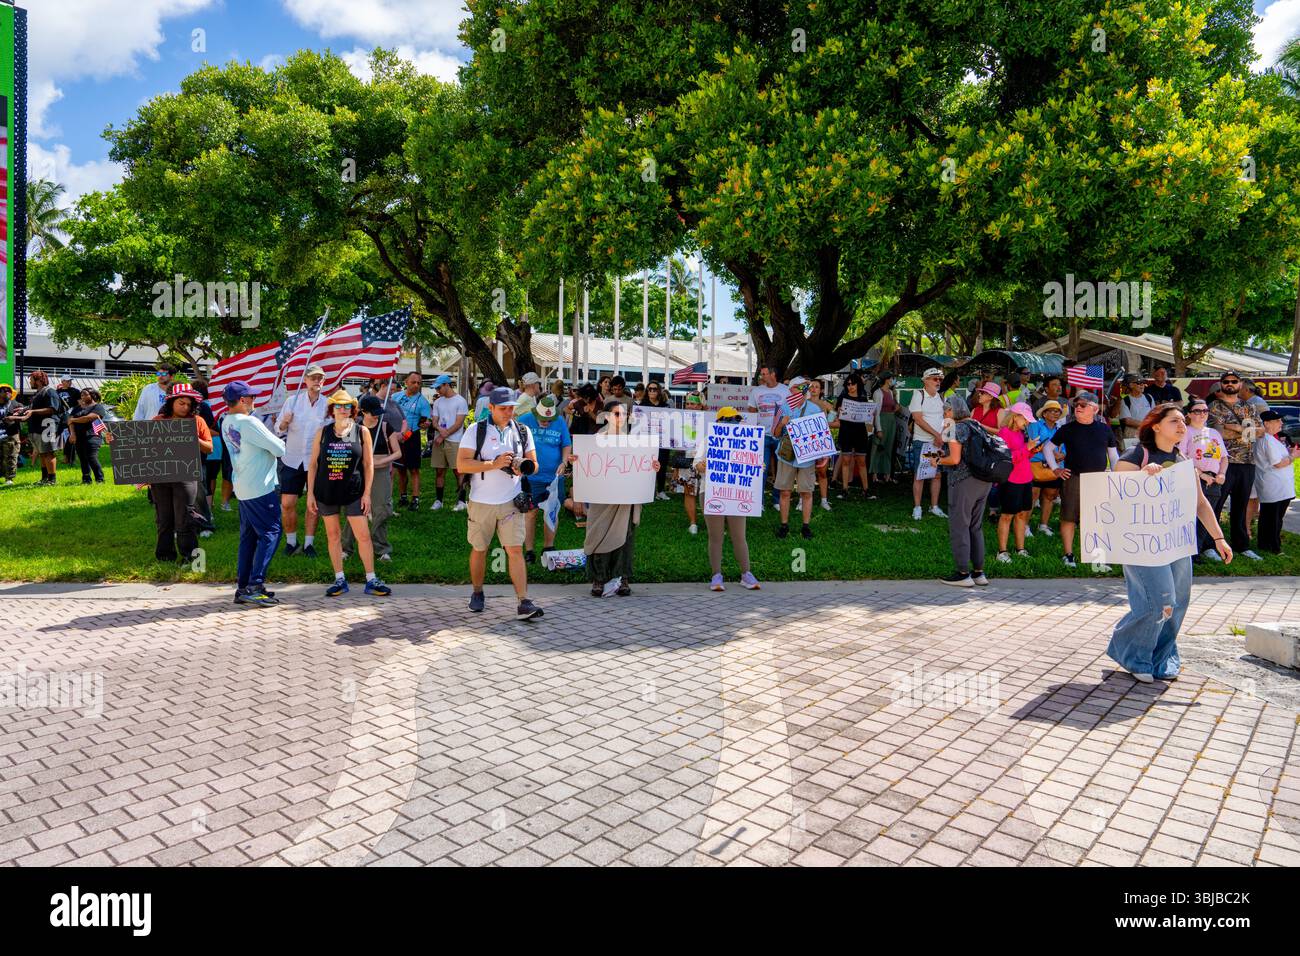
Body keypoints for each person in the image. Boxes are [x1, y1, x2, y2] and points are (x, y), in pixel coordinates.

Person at [1106, 404, 1233, 682]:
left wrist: (1219, 538)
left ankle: (1161, 658)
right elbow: (1113, 493)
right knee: (1159, 601)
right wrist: (1141, 477)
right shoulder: (1137, 454)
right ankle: (1133, 655)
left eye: (1182, 422)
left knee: (1178, 603)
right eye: (1174, 421)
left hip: (1177, 541)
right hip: (1142, 542)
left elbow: (1200, 503)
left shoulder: (1184, 459)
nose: (1181, 426)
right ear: (1156, 426)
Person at [456, 386, 544, 620]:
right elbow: (462, 465)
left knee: (515, 549)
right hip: (481, 501)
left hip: (511, 500)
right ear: (491, 408)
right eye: (503, 408)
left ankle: (524, 601)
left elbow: (535, 465)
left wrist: (523, 465)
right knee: (480, 548)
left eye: (511, 408)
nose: (508, 412)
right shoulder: (476, 430)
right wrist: (492, 464)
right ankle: (477, 592)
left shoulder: (523, 431)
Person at [113, 383, 211, 564]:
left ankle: (191, 559)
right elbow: (142, 445)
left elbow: (209, 448)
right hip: (160, 476)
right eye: (181, 403)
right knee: (164, 518)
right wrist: (115, 440)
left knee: (186, 517)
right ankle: (164, 557)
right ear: (172, 402)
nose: (185, 407)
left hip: (186, 475)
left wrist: (192, 436)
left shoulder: (197, 421)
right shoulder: (158, 420)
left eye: (189, 404)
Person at [570, 399, 660, 597]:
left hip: (625, 500)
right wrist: (576, 461)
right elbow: (586, 465)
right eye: (617, 414)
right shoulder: (595, 440)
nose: (621, 418)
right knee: (598, 534)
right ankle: (599, 579)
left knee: (624, 536)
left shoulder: (635, 442)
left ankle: (622, 579)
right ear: (607, 416)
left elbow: (642, 465)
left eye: (624, 414)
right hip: (601, 500)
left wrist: (653, 467)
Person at [306, 390, 391, 597]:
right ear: (332, 410)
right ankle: (339, 579)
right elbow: (313, 465)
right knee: (333, 536)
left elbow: (369, 465)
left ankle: (371, 579)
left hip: (354, 492)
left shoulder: (361, 432)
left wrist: (367, 494)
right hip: (326, 492)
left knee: (363, 536)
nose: (342, 410)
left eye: (346, 406)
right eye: (338, 406)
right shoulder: (323, 432)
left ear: (353, 410)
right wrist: (310, 494)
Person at [221, 381, 286, 606]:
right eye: (251, 397)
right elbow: (280, 449)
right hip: (260, 487)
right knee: (271, 533)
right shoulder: (249, 422)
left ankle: (243, 586)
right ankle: (255, 585)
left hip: (243, 485)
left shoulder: (226, 421)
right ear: (241, 400)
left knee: (248, 538)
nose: (254, 400)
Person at [1043, 390, 1119, 569]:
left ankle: (1097, 559)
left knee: (1097, 520)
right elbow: (1047, 448)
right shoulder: (1067, 429)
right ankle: (1068, 556)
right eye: (1076, 405)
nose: (1077, 408)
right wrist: (1055, 469)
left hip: (1098, 479)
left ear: (1094, 409)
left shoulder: (1104, 429)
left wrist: (1117, 478)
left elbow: (1114, 456)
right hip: (1073, 478)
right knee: (1068, 517)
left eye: (1082, 405)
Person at [693, 406, 761, 592]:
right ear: (719, 422)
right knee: (715, 536)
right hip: (711, 492)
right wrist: (702, 465)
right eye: (728, 420)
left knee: (739, 536)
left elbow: (754, 464)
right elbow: (697, 464)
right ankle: (716, 575)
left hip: (736, 493)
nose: (733, 423)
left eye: (735, 420)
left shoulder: (746, 441)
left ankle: (746, 573)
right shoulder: (708, 441)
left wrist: (758, 466)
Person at [1207, 370, 1262, 560]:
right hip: (1223, 463)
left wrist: (1236, 427)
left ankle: (1241, 545)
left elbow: (1260, 431)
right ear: (1221, 384)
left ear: (1240, 385)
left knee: (1240, 506)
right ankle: (1209, 545)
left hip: (1247, 462)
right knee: (1215, 505)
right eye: (1226, 381)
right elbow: (1219, 434)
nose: (1230, 384)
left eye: (1234, 381)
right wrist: (1245, 430)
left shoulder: (1249, 407)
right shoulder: (1214, 407)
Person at [935, 395, 990, 587]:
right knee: (975, 526)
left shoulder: (954, 427)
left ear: (953, 410)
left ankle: (962, 573)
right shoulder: (977, 425)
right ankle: (978, 573)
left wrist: (937, 460)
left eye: (947, 410)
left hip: (963, 481)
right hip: (983, 481)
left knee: (960, 526)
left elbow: (955, 460)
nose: (945, 413)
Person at [275, 364, 328, 558]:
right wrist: (284, 422)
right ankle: (291, 542)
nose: (317, 381)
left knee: (312, 504)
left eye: (320, 378)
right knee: (288, 503)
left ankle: (308, 544)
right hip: (292, 459)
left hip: (316, 462)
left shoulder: (328, 404)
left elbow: (333, 433)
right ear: (305, 380)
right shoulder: (292, 401)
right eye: (313, 377)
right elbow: (278, 430)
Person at [341, 395, 402, 564]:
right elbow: (345, 452)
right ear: (363, 412)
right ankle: (346, 548)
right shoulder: (353, 428)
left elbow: (398, 452)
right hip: (358, 473)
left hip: (380, 473)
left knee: (382, 510)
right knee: (353, 511)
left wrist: (382, 461)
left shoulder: (385, 426)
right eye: (373, 412)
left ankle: (381, 548)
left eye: (378, 412)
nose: (377, 415)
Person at [516, 394, 572, 562]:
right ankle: (530, 550)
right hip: (531, 477)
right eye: (543, 420)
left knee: (552, 511)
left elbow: (566, 444)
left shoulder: (560, 421)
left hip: (554, 477)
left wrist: (564, 462)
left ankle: (549, 546)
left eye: (549, 421)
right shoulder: (524, 420)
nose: (546, 423)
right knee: (530, 512)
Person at [1179, 400, 1229, 562]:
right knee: (1192, 516)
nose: (1202, 414)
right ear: (1189, 414)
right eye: (1197, 411)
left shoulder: (1214, 433)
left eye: (1205, 411)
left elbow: (1224, 457)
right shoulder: (1186, 431)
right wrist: (1200, 474)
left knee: (1208, 516)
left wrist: (1222, 473)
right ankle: (1189, 555)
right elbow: (1182, 456)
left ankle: (1198, 552)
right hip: (1194, 477)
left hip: (1214, 479)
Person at [772, 377, 821, 540]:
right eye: (800, 388)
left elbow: (820, 436)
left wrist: (823, 456)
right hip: (787, 456)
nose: (803, 391)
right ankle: (784, 526)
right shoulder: (783, 408)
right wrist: (781, 424)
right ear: (791, 390)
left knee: (806, 492)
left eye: (805, 388)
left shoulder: (814, 409)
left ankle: (806, 527)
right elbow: (775, 433)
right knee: (785, 491)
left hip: (807, 457)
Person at [994, 403, 1038, 563]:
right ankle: (1002, 551)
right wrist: (1027, 448)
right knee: (1007, 515)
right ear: (1015, 416)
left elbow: (1022, 456)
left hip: (1025, 477)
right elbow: (1006, 458)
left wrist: (1031, 451)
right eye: (1025, 419)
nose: (1027, 423)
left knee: (1022, 514)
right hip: (1011, 479)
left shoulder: (1020, 433)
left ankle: (1020, 548)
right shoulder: (1003, 433)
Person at [1253, 410, 1298, 555]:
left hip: (1278, 486)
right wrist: (1293, 456)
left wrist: (1289, 453)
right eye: (1278, 421)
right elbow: (1277, 463)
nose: (1282, 423)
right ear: (1266, 424)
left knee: (1272, 518)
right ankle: (1273, 548)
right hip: (1274, 486)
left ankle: (1266, 545)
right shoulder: (1266, 439)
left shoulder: (1271, 438)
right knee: (1273, 519)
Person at [749, 365, 791, 507]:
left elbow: (791, 413)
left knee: (781, 469)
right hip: (762, 435)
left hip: (781, 435)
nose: (762, 377)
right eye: (761, 374)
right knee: (762, 469)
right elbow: (752, 412)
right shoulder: (756, 391)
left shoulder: (786, 391)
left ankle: (777, 500)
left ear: (773, 374)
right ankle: (758, 502)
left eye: (765, 374)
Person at [909, 367, 947, 520]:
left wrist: (942, 436)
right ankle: (917, 507)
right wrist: (936, 435)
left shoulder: (940, 397)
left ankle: (934, 506)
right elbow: (918, 419)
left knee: (936, 474)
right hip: (923, 441)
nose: (938, 382)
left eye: (939, 379)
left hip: (937, 443)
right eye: (934, 379)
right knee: (920, 474)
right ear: (925, 380)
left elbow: (945, 417)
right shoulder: (918, 395)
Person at [429, 373, 470, 512]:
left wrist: (443, 435)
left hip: (455, 441)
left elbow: (459, 424)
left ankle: (462, 501)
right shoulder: (438, 401)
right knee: (439, 471)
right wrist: (440, 431)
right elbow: (434, 420)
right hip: (440, 440)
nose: (437, 391)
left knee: (458, 471)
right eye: (436, 388)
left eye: (439, 387)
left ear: (447, 385)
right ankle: (438, 500)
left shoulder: (460, 401)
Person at [393, 372, 432, 511]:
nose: (416, 385)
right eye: (413, 382)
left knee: (414, 469)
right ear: (406, 382)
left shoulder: (423, 402)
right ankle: (403, 497)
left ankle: (415, 499)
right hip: (395, 436)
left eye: (419, 383)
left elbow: (425, 421)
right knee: (400, 469)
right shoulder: (395, 397)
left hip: (411, 436)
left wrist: (426, 423)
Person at [1027, 399, 1065, 534]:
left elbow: (1064, 447)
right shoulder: (1035, 425)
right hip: (1036, 464)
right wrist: (1053, 453)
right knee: (1033, 495)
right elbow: (1034, 443)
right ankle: (1025, 525)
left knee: (1050, 495)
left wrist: (1062, 455)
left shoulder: (1060, 429)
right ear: (1044, 414)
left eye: (1058, 412)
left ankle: (1043, 525)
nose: (1056, 413)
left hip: (1054, 465)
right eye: (1053, 411)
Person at [19, 370, 61, 485]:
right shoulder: (38, 393)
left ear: (38, 380)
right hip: (37, 427)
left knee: (48, 453)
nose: (30, 382)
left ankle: (52, 480)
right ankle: (44, 479)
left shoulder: (50, 392)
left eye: (31, 380)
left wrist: (32, 411)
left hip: (47, 426)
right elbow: (33, 407)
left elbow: (52, 409)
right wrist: (23, 409)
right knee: (42, 453)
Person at [805, 379, 838, 511]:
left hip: (821, 441)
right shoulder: (804, 404)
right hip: (806, 441)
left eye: (817, 387)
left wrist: (824, 424)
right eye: (811, 386)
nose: (813, 389)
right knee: (806, 472)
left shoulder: (825, 404)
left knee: (822, 472)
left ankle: (824, 500)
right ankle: (803, 500)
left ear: (821, 390)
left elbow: (836, 419)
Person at [66, 388, 108, 484]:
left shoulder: (98, 407)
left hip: (92, 436)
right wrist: (72, 434)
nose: (83, 397)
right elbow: (69, 421)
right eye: (81, 395)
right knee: (82, 458)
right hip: (78, 436)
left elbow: (88, 418)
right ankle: (86, 479)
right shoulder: (77, 408)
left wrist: (74, 420)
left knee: (91, 457)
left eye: (85, 394)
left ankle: (100, 479)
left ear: (92, 395)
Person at [640, 382, 673, 499]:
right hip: (646, 441)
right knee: (647, 465)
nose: (652, 391)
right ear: (647, 391)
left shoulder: (665, 406)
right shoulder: (642, 406)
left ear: (659, 391)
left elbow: (670, 423)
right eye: (650, 389)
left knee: (662, 465)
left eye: (655, 389)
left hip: (662, 440)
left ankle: (661, 490)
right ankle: (647, 491)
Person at [869, 371, 899, 483]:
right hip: (882, 420)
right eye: (891, 378)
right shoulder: (878, 393)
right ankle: (875, 474)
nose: (892, 381)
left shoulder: (891, 392)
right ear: (887, 379)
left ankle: (886, 474)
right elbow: (876, 412)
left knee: (888, 448)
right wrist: (879, 429)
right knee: (878, 447)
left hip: (891, 421)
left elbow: (893, 407)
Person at [1113, 374, 1153, 445]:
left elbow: (1154, 414)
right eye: (1139, 383)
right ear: (1131, 385)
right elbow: (1127, 421)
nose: (1142, 385)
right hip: (1132, 434)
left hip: (1148, 433)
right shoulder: (1125, 400)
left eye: (1143, 383)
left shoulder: (1149, 397)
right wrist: (1147, 425)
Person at [0, 384, 21, 485]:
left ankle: (9, 479)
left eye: (9, 391)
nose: (8, 392)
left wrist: (16, 416)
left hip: (11, 435)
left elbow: (25, 412)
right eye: (5, 390)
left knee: (11, 457)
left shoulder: (15, 404)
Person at [57, 376, 80, 465]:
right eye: (67, 381)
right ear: (62, 381)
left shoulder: (75, 391)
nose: (70, 382)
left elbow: (80, 403)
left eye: (70, 381)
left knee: (71, 437)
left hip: (72, 416)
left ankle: (70, 458)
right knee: (57, 435)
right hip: (60, 418)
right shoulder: (57, 392)